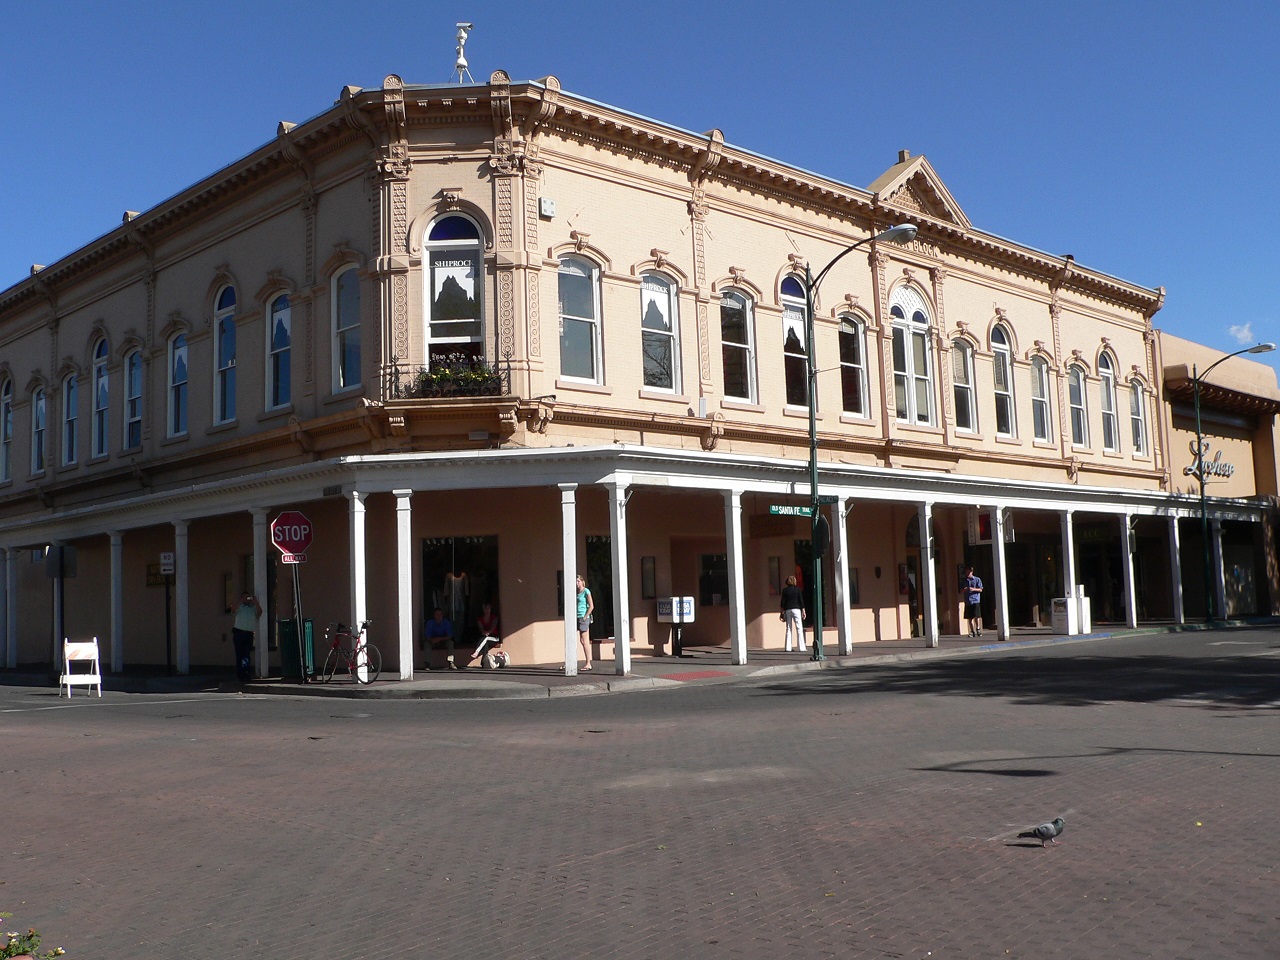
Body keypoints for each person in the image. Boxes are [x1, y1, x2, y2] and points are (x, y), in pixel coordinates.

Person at [231, 592, 261, 680]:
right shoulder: (239, 607)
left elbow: (259, 612)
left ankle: (246, 671)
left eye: (248, 597)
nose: (246, 599)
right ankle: (240, 673)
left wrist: (255, 602)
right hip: (239, 633)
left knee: (246, 654)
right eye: (245, 597)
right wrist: (241, 601)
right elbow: (233, 610)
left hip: (249, 634)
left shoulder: (252, 608)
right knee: (239, 654)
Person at [467, 601, 502, 668]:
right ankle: (484, 662)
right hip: (485, 638)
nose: (486, 610)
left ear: (490, 609)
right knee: (485, 641)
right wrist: (484, 632)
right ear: (483, 609)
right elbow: (481, 629)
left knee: (485, 639)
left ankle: (477, 651)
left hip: (494, 638)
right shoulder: (480, 619)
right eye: (485, 608)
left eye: (488, 608)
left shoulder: (494, 618)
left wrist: (488, 632)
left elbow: (493, 627)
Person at [780, 575, 807, 652]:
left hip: (788, 609)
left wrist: (781, 612)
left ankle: (788, 647)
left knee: (788, 628)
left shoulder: (785, 590)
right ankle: (802, 647)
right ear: (795, 581)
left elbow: (783, 602)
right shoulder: (797, 590)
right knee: (799, 628)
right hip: (796, 609)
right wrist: (803, 610)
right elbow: (801, 600)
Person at [575, 574, 594, 671]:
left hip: (583, 617)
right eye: (576, 581)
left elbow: (591, 606)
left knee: (584, 641)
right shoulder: (576, 592)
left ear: (582, 581)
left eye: (578, 581)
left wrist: (585, 616)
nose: (577, 583)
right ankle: (571, 662)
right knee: (575, 640)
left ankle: (588, 663)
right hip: (576, 617)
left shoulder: (586, 591)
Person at [961, 565, 983, 637]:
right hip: (968, 601)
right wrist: (965, 589)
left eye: (969, 572)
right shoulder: (964, 580)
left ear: (972, 572)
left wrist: (973, 589)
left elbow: (980, 589)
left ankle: (978, 629)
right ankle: (971, 631)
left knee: (976, 616)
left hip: (975, 600)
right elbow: (961, 590)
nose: (968, 573)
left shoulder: (977, 579)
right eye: (967, 572)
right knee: (969, 618)